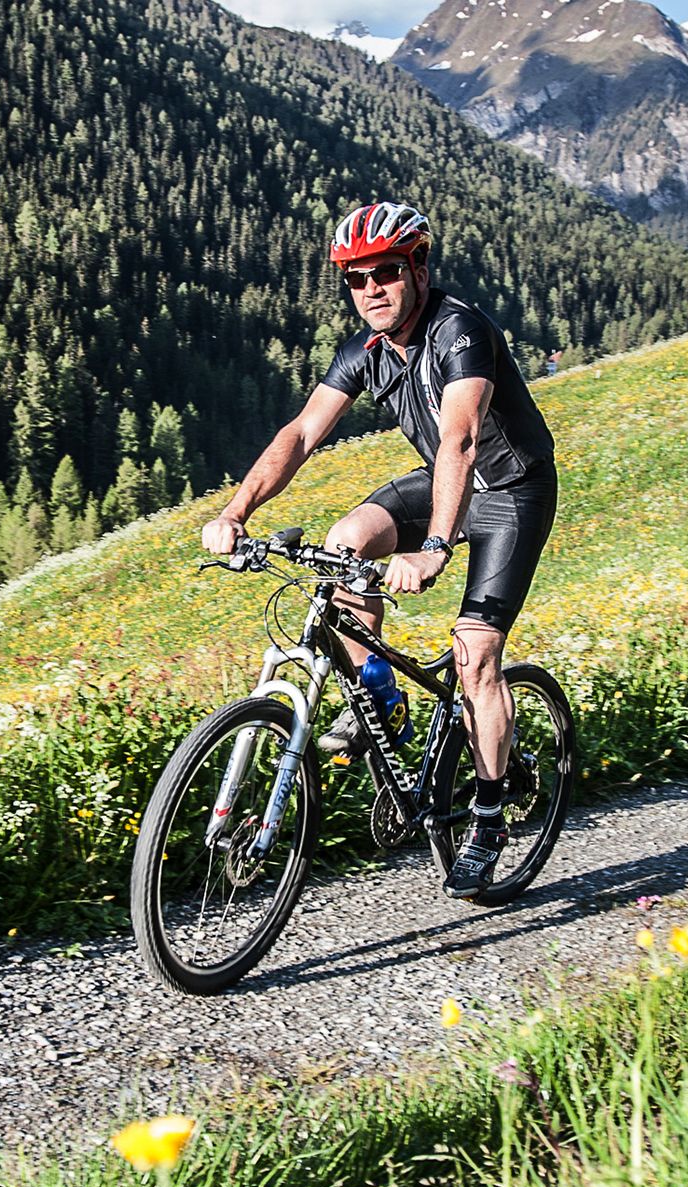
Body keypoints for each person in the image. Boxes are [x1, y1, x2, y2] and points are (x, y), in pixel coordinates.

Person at [199, 201, 558, 896]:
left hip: (511, 491)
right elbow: (302, 435)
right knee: (344, 544)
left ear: (418, 267)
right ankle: (380, 695)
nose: (372, 291)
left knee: (475, 655)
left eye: (386, 273)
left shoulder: (462, 332)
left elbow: (458, 437)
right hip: (443, 483)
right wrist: (237, 510)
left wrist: (434, 548)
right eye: (355, 279)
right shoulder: (364, 353)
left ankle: (487, 818)